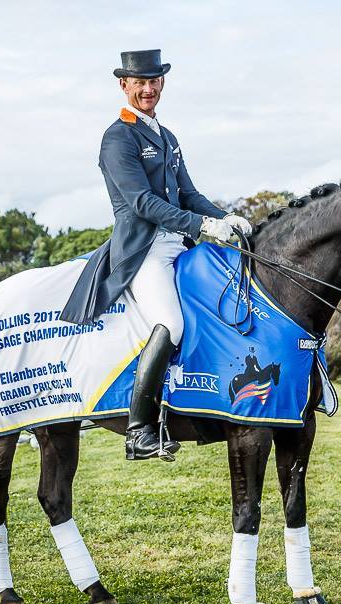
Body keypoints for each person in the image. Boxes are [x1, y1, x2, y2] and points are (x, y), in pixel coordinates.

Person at [60, 49, 252, 461]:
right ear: (124, 85)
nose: (148, 89)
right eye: (140, 82)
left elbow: (189, 194)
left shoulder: (168, 137)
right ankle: (139, 429)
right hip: (144, 249)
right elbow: (142, 202)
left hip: (179, 245)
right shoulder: (118, 137)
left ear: (162, 83)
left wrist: (226, 218)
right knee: (172, 322)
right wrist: (202, 227)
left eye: (154, 81)